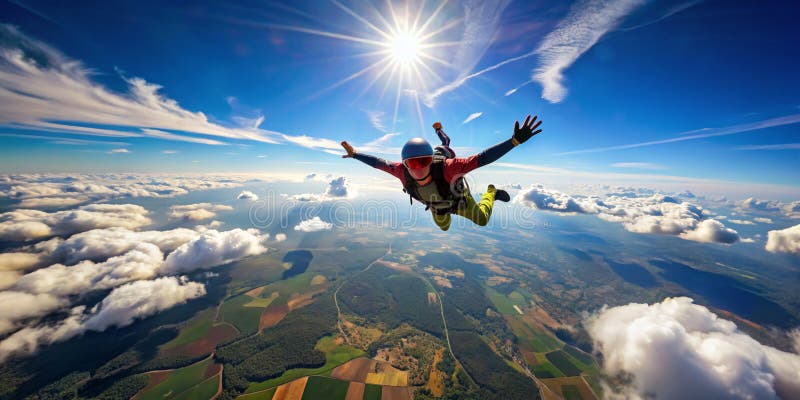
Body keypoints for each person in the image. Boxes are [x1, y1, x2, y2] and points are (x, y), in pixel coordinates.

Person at [341, 114, 542, 231]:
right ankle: (439, 132)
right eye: (413, 163)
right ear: (405, 164)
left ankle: (491, 192)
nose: (419, 168)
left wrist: (514, 141)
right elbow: (378, 163)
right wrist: (355, 154)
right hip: (438, 206)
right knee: (444, 227)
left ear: (432, 159)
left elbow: (483, 158)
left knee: (482, 220)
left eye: (424, 161)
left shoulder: (449, 166)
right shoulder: (401, 171)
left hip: (460, 200)